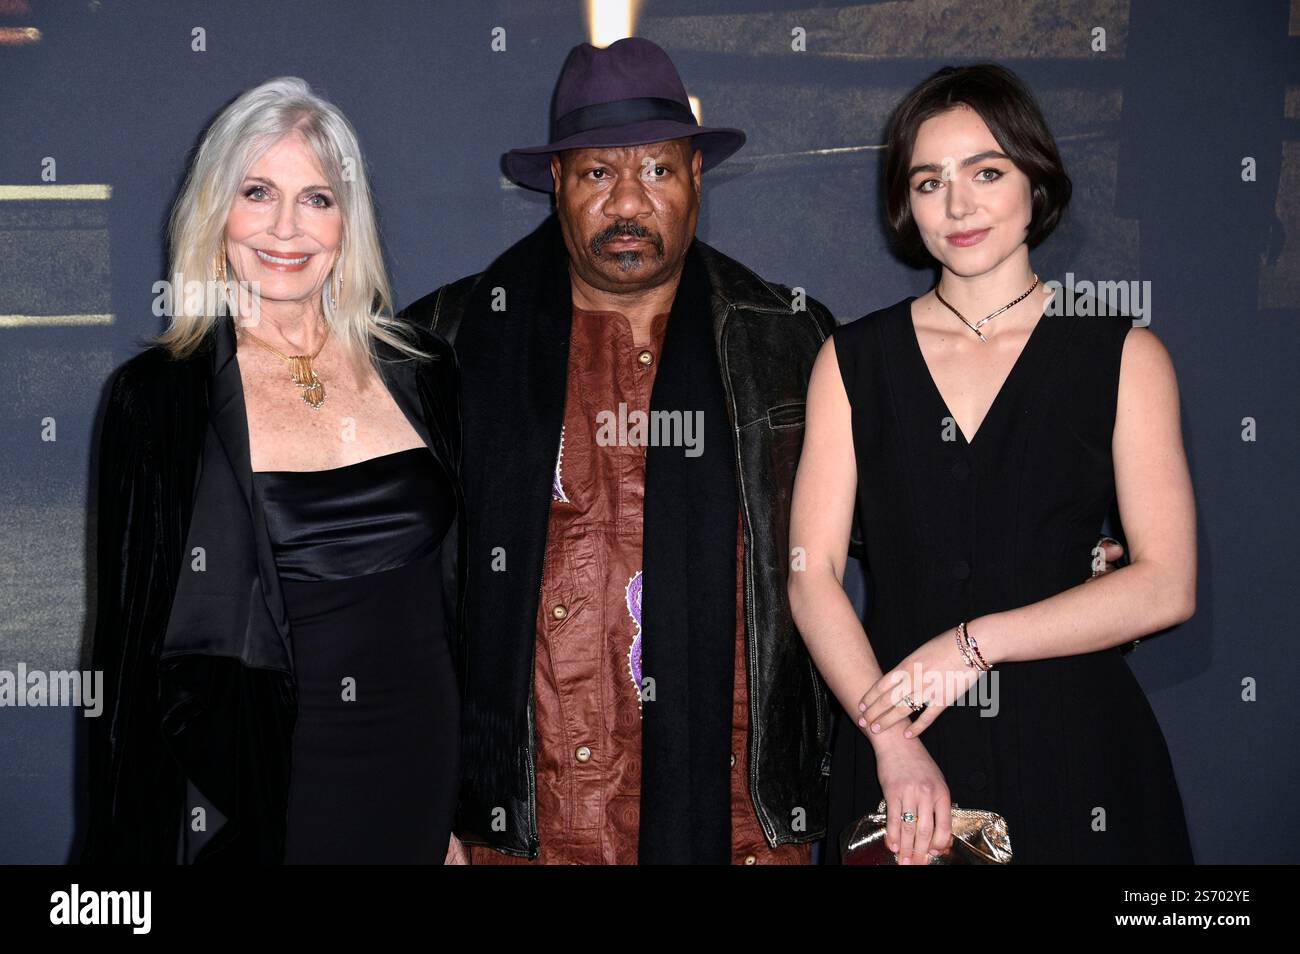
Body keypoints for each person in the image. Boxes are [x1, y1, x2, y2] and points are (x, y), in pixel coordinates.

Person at [400, 37, 839, 864]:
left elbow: (906, 533)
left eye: (658, 172)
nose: (629, 202)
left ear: (697, 180)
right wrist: (418, 803)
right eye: (599, 173)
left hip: (740, 824)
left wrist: (1070, 565)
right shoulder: (443, 345)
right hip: (521, 830)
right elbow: (387, 600)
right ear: (556, 185)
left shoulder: (791, 343)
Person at [789, 64, 1196, 864]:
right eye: (929, 181)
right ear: (906, 205)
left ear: (1034, 182)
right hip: (901, 753)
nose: (959, 205)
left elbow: (1167, 584)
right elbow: (810, 573)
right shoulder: (852, 361)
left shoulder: (1122, 354)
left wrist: (973, 645)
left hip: (1079, 753)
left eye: (986, 172)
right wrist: (892, 741)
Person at [81, 77, 464, 864]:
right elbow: (126, 657)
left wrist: (463, 812)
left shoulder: (422, 367)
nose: (288, 228)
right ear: (215, 211)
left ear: (348, 220)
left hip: (421, 766)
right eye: (258, 192)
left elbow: (465, 596)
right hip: (264, 789)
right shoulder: (158, 400)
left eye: (317, 198)